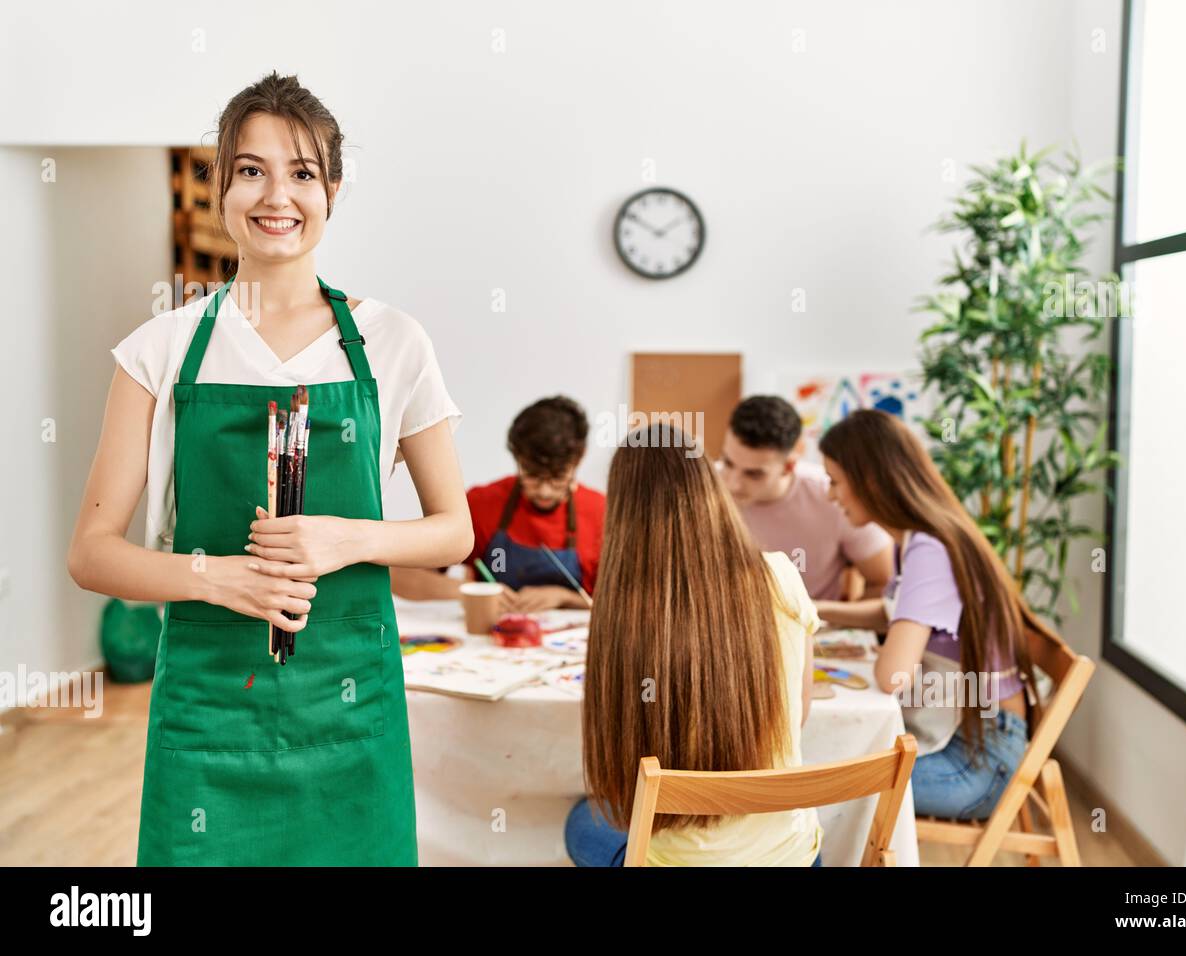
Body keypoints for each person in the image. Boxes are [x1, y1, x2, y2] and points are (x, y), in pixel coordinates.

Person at [66, 72, 473, 865]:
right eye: (250, 169)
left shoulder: (392, 342)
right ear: (220, 186)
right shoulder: (163, 348)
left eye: (303, 172)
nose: (275, 195)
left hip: (351, 714)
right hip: (208, 714)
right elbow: (91, 552)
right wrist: (218, 578)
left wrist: (344, 539)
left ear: (334, 190)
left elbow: (453, 532)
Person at [565, 427, 824, 866]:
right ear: (711, 489)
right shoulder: (781, 574)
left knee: (581, 820)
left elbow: (619, 771)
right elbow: (796, 713)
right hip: (792, 857)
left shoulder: (620, 608)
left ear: (623, 513)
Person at [818, 409, 1049, 820]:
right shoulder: (915, 539)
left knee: (818, 789)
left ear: (870, 480)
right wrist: (816, 608)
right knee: (820, 776)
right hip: (974, 738)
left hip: (976, 760)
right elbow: (893, 612)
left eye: (835, 482)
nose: (830, 496)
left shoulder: (931, 549)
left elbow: (894, 676)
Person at [391, 396, 604, 612]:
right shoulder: (482, 504)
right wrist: (469, 590)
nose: (544, 490)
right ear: (517, 458)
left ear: (578, 459)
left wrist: (565, 598)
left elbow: (622, 603)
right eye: (532, 475)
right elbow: (398, 578)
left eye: (557, 477)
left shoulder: (601, 513)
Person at [719, 396, 893, 621]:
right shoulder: (701, 491)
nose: (733, 484)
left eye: (754, 474)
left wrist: (824, 624)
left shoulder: (834, 496)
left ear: (789, 465)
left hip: (808, 636)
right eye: (728, 463)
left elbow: (882, 582)